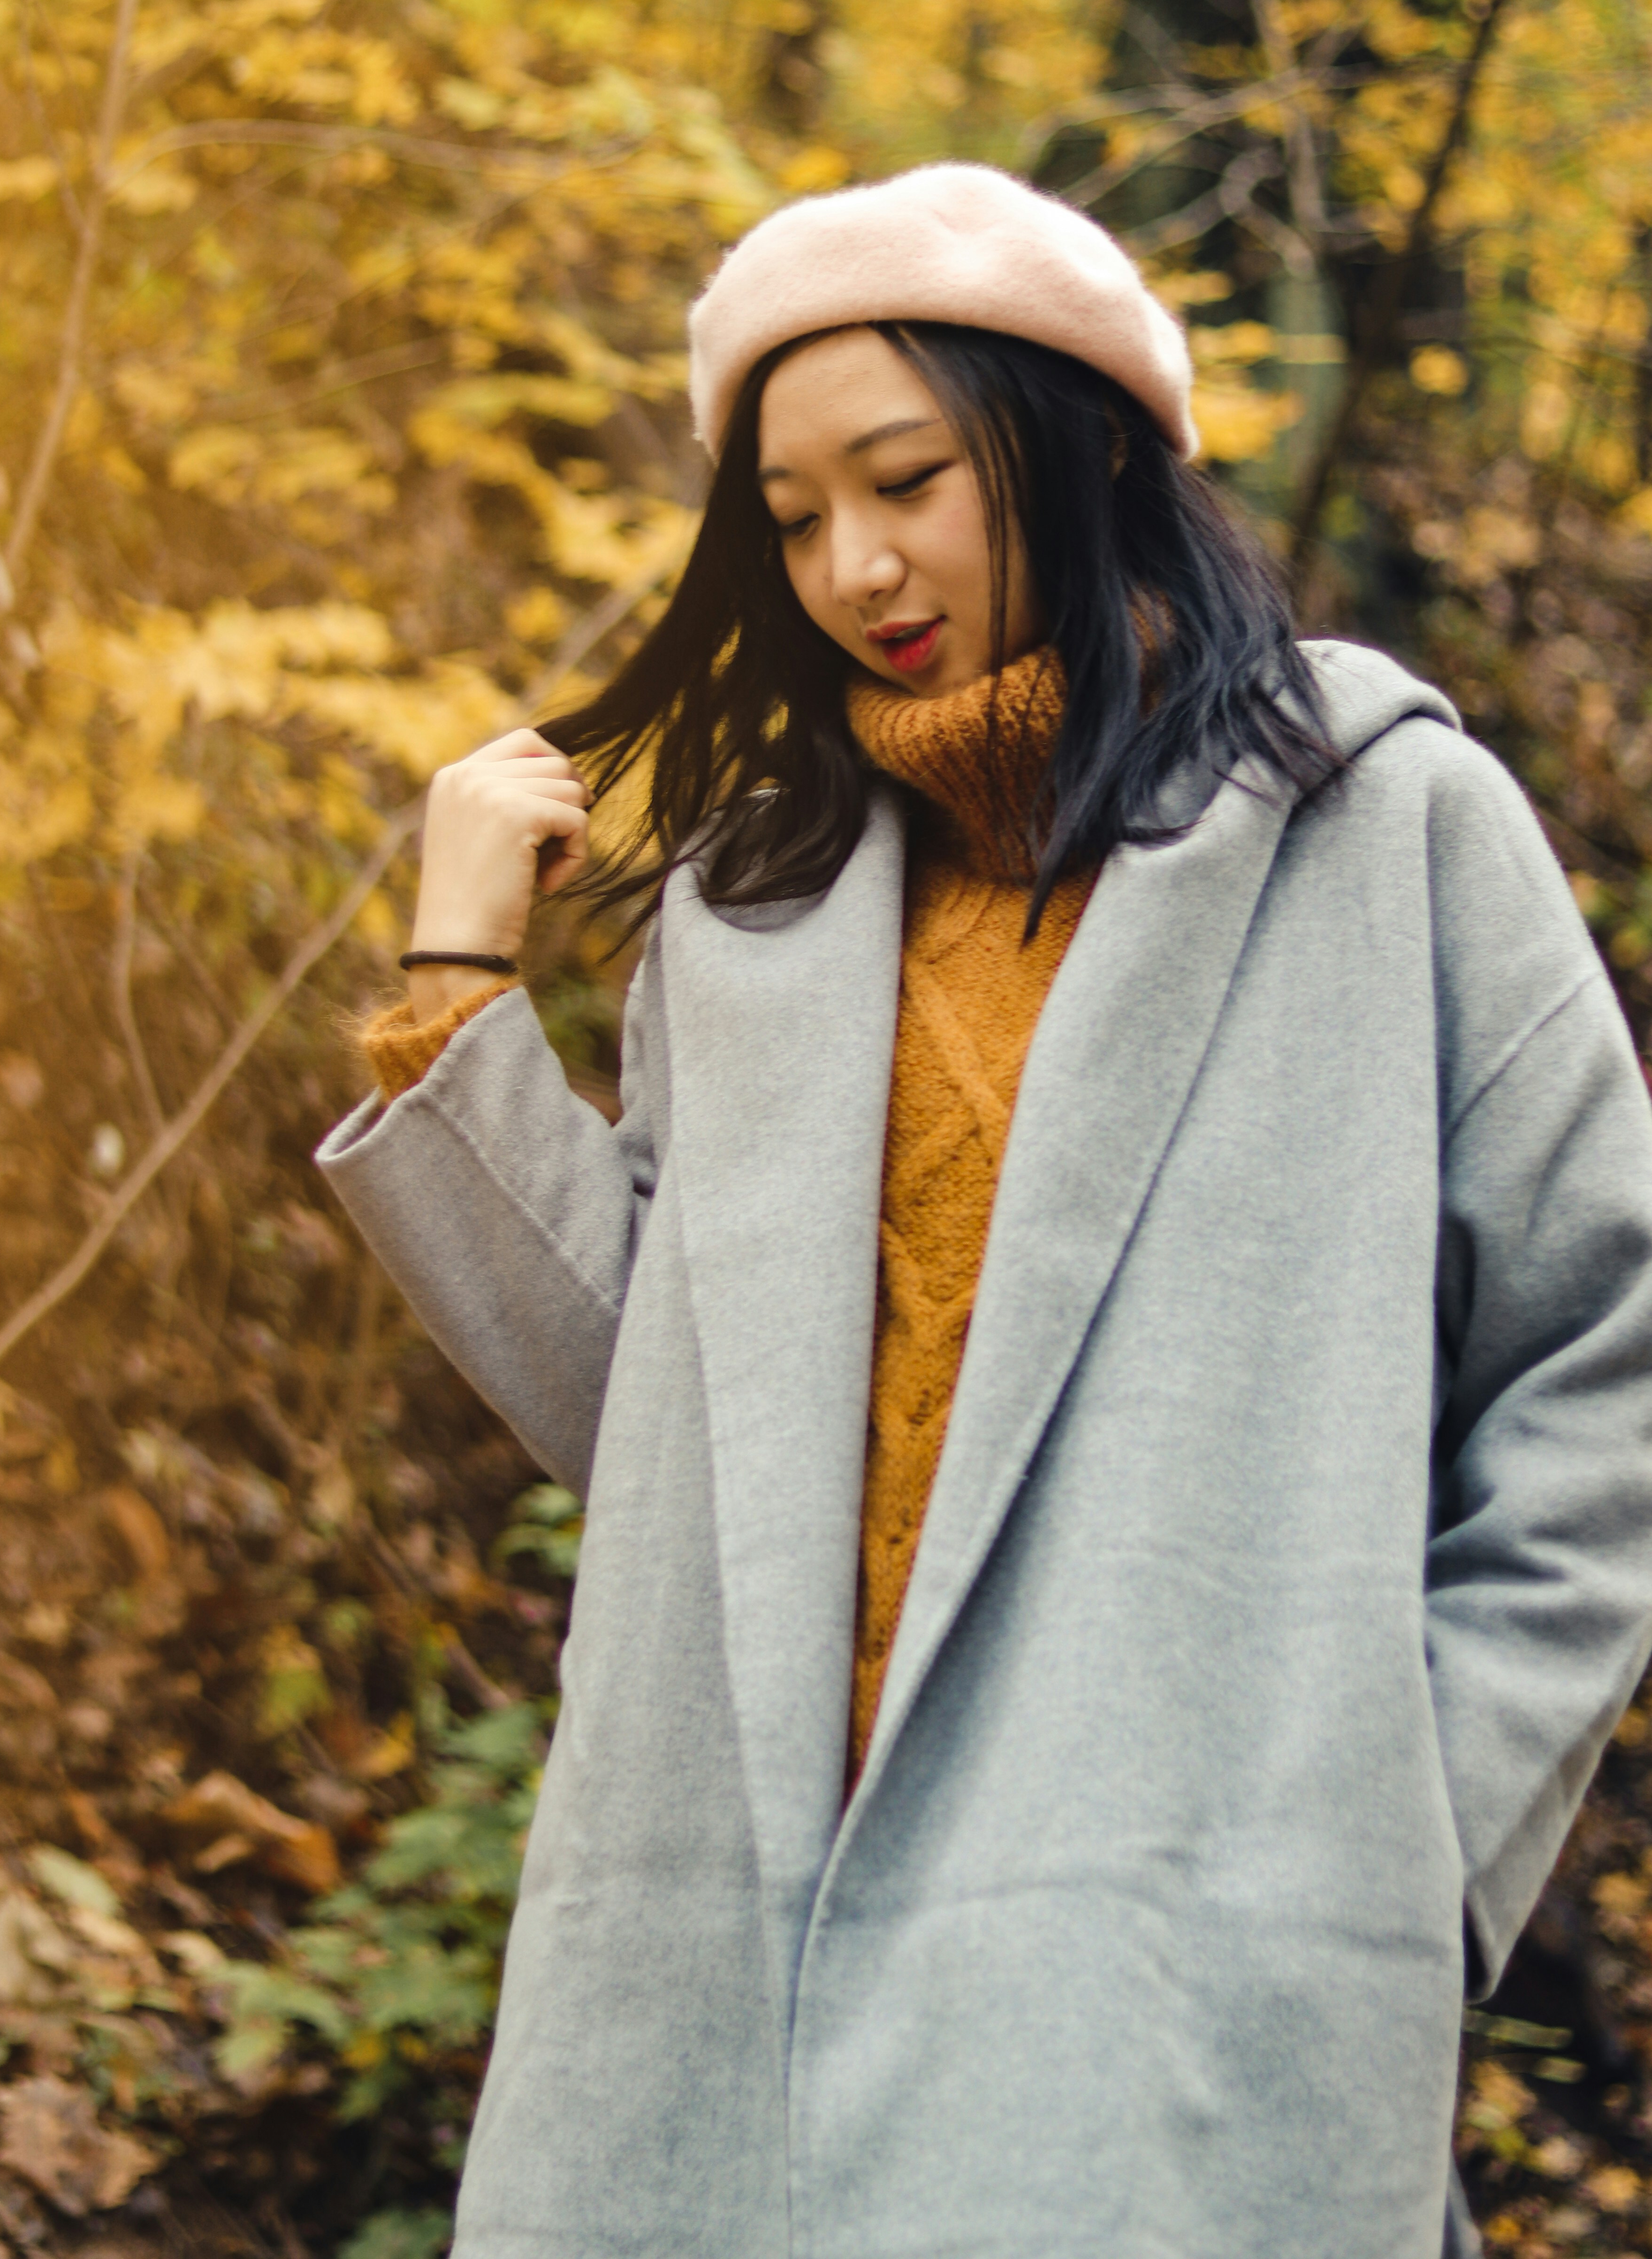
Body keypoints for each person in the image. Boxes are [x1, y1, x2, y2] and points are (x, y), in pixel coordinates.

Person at [316, 163, 1652, 2259]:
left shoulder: (1381, 832)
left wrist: (1411, 1828)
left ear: (1078, 436)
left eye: (906, 478)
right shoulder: (753, 912)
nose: (856, 564)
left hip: (1179, 1965)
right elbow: (665, 1436)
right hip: (729, 1972)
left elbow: (1606, 1364)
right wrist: (461, 995)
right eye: (791, 514)